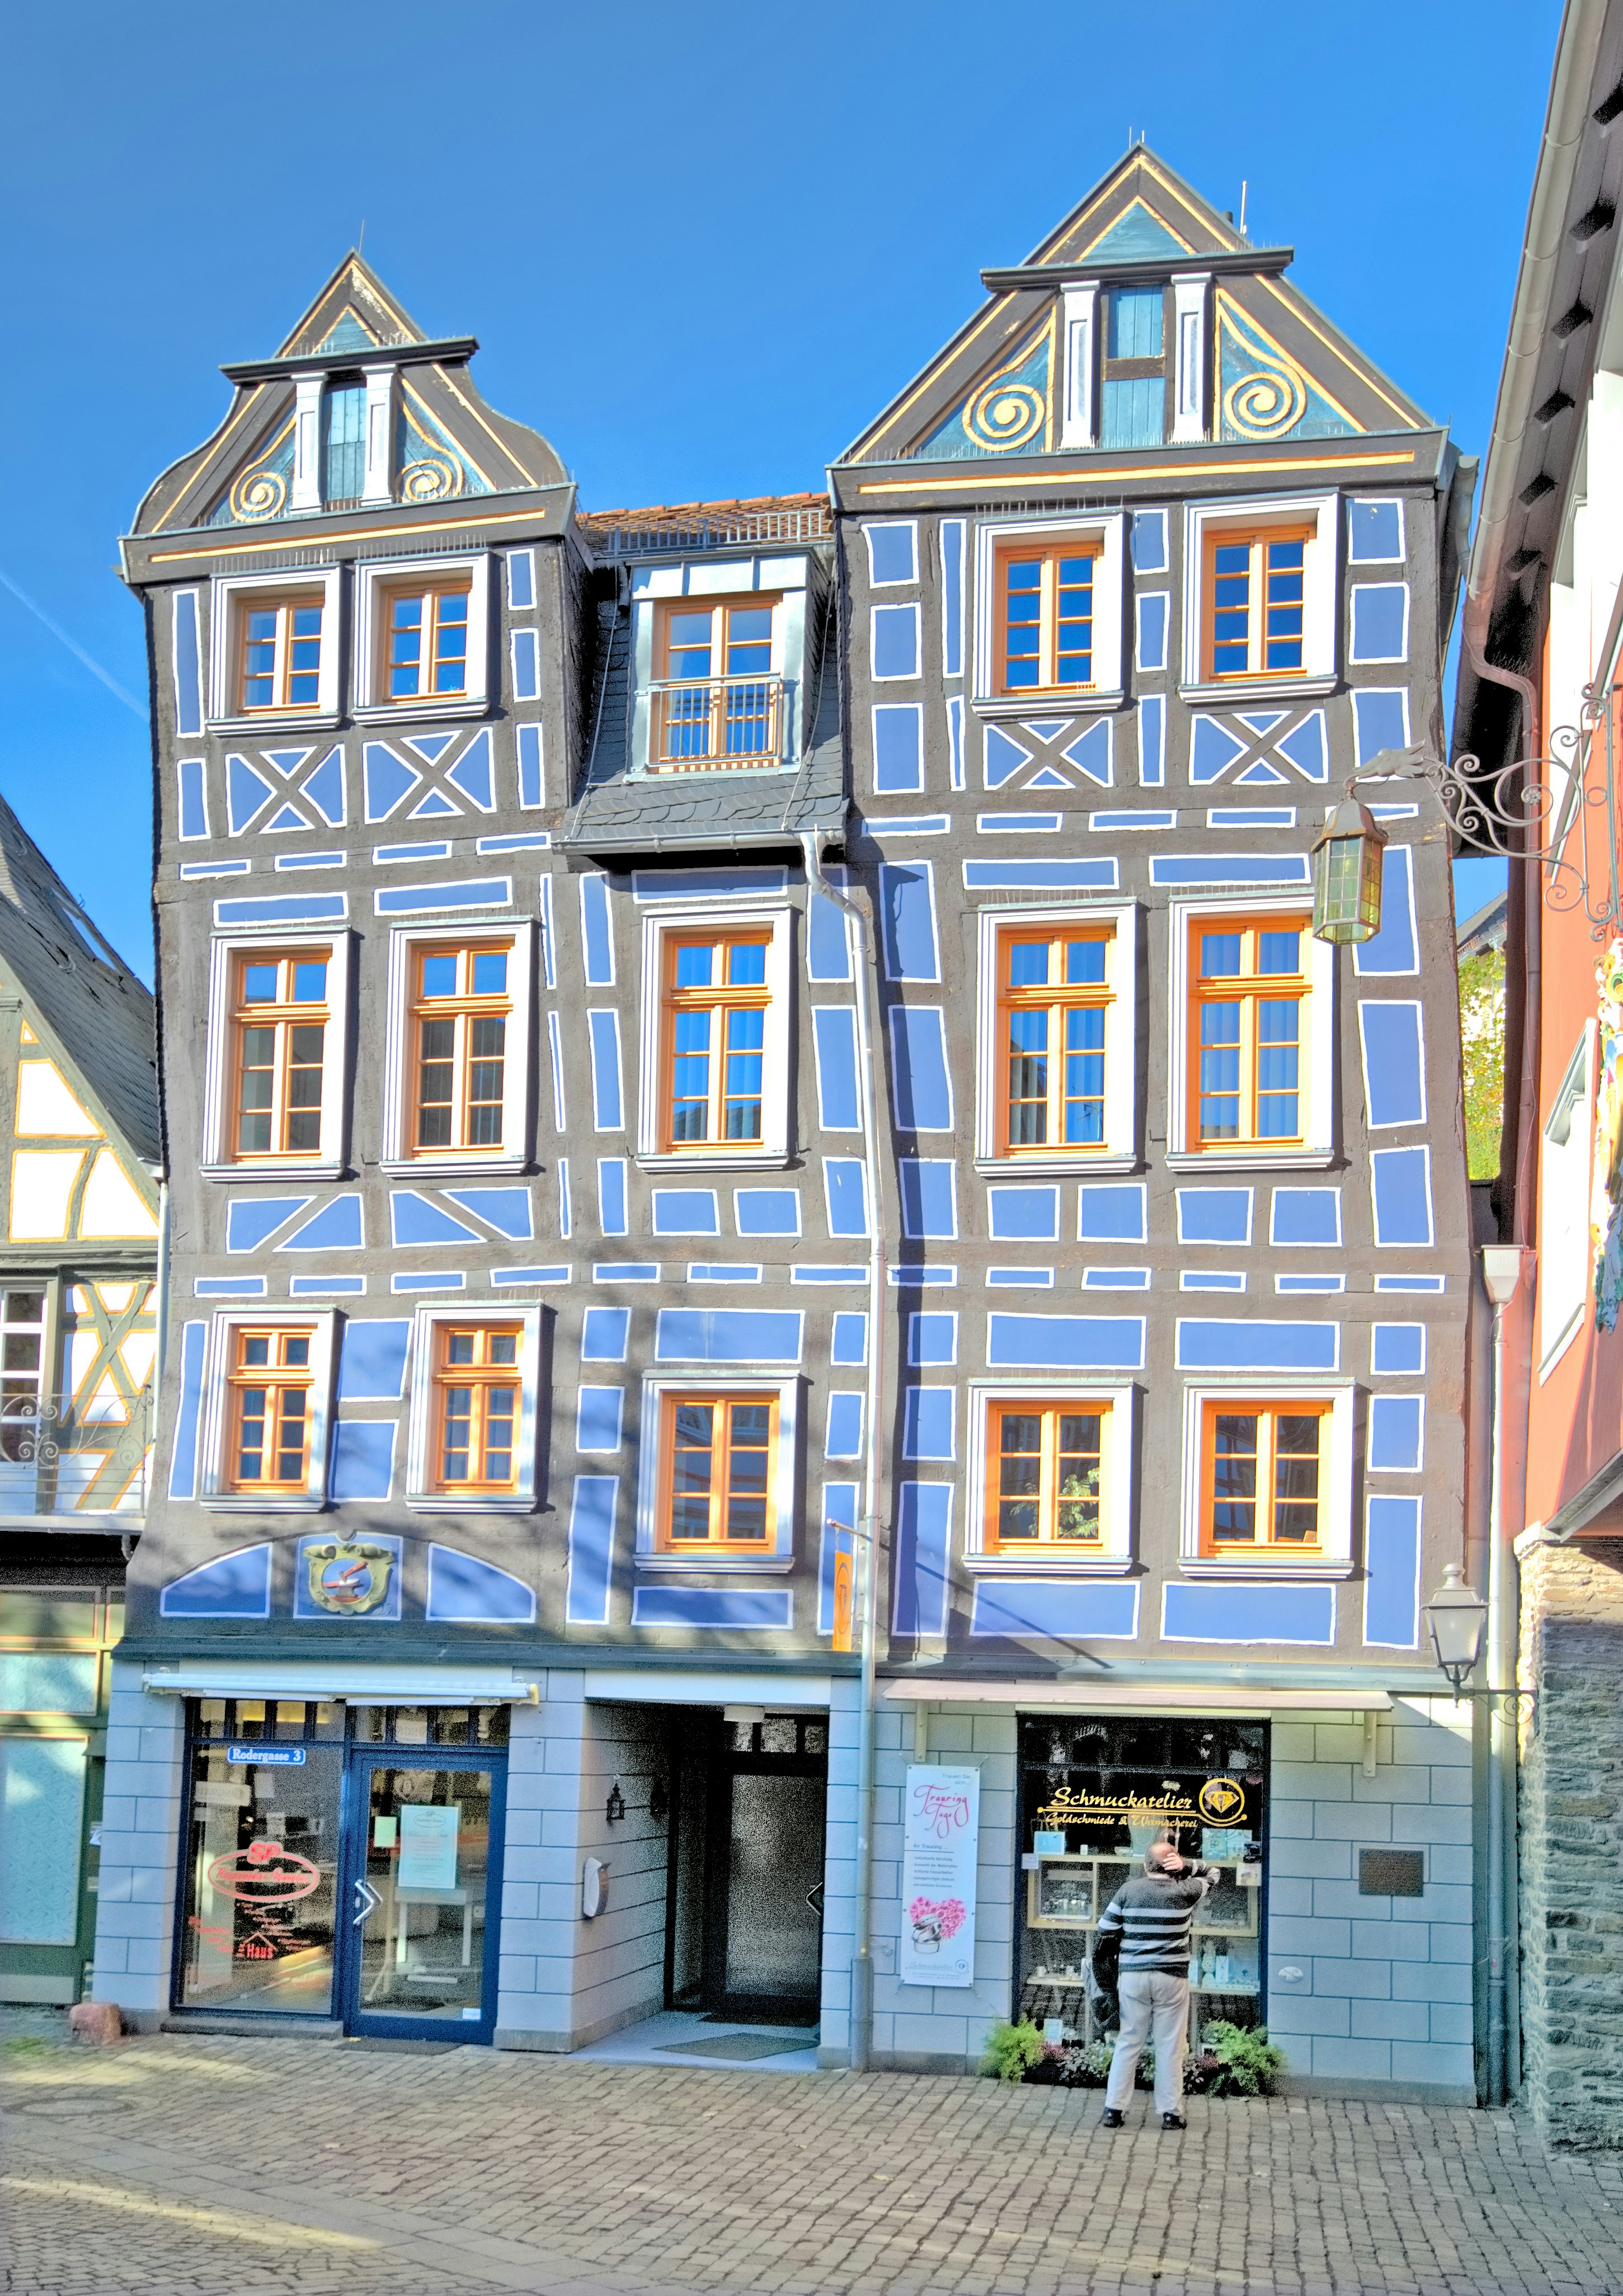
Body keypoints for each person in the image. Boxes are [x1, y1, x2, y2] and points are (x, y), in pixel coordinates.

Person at [1092, 1836, 1220, 2130]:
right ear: (1172, 1865)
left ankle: (1114, 2110)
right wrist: (1188, 1866)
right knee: (1170, 2046)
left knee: (1128, 2042)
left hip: (1133, 1977)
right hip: (1171, 1977)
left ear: (1145, 1864)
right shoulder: (1186, 1891)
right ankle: (1171, 2114)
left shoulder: (1128, 1891)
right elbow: (1214, 1873)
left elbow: (1105, 1931)